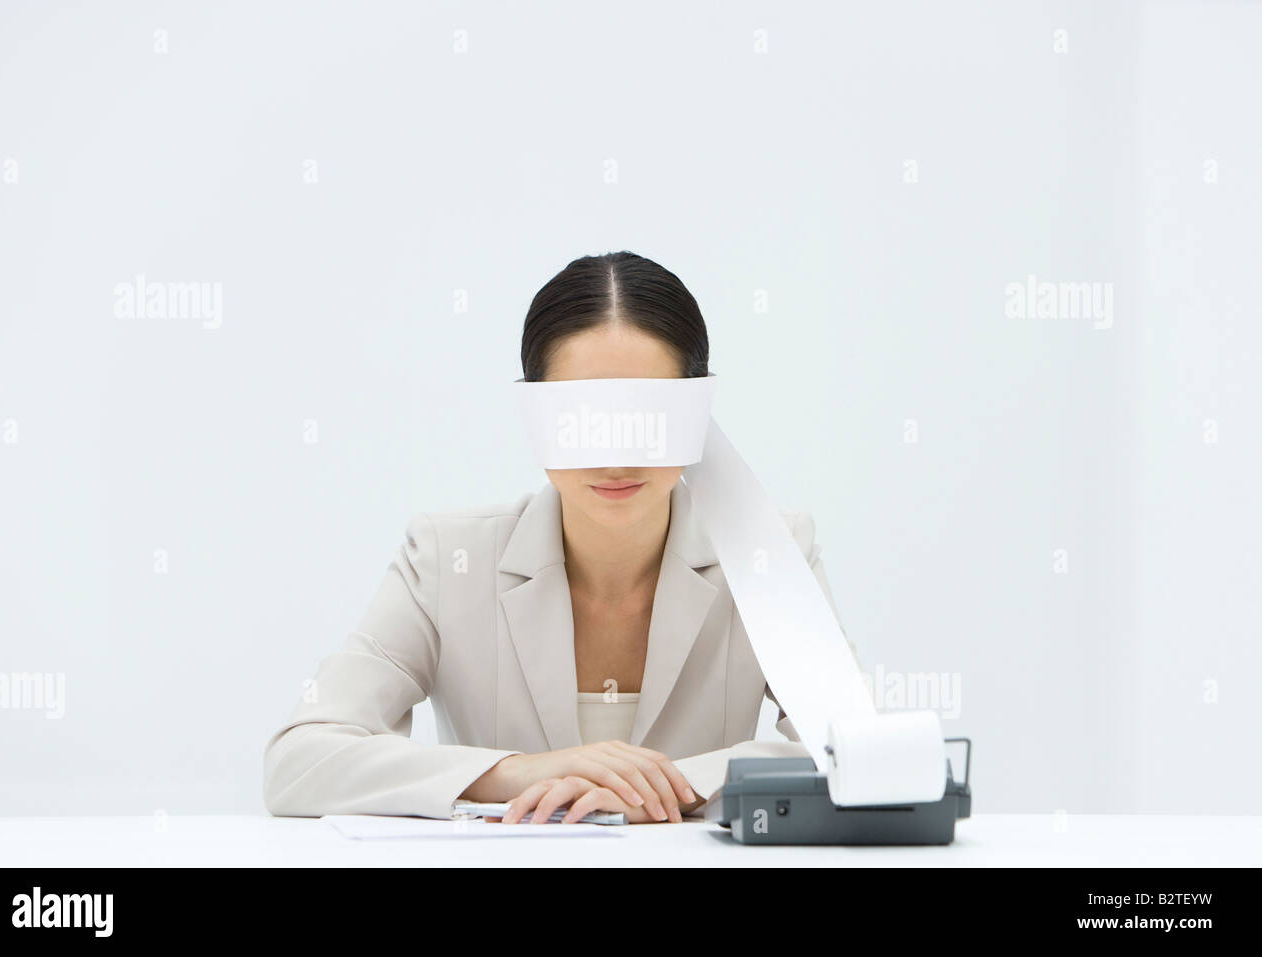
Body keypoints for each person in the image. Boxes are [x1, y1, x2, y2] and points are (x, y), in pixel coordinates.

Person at [263, 250, 859, 824]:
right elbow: (299, 761)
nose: (615, 456)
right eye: (582, 420)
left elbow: (852, 747)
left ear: (698, 412)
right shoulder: (448, 559)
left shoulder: (769, 553)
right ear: (534, 418)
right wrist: (520, 773)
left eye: (646, 417)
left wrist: (664, 791)